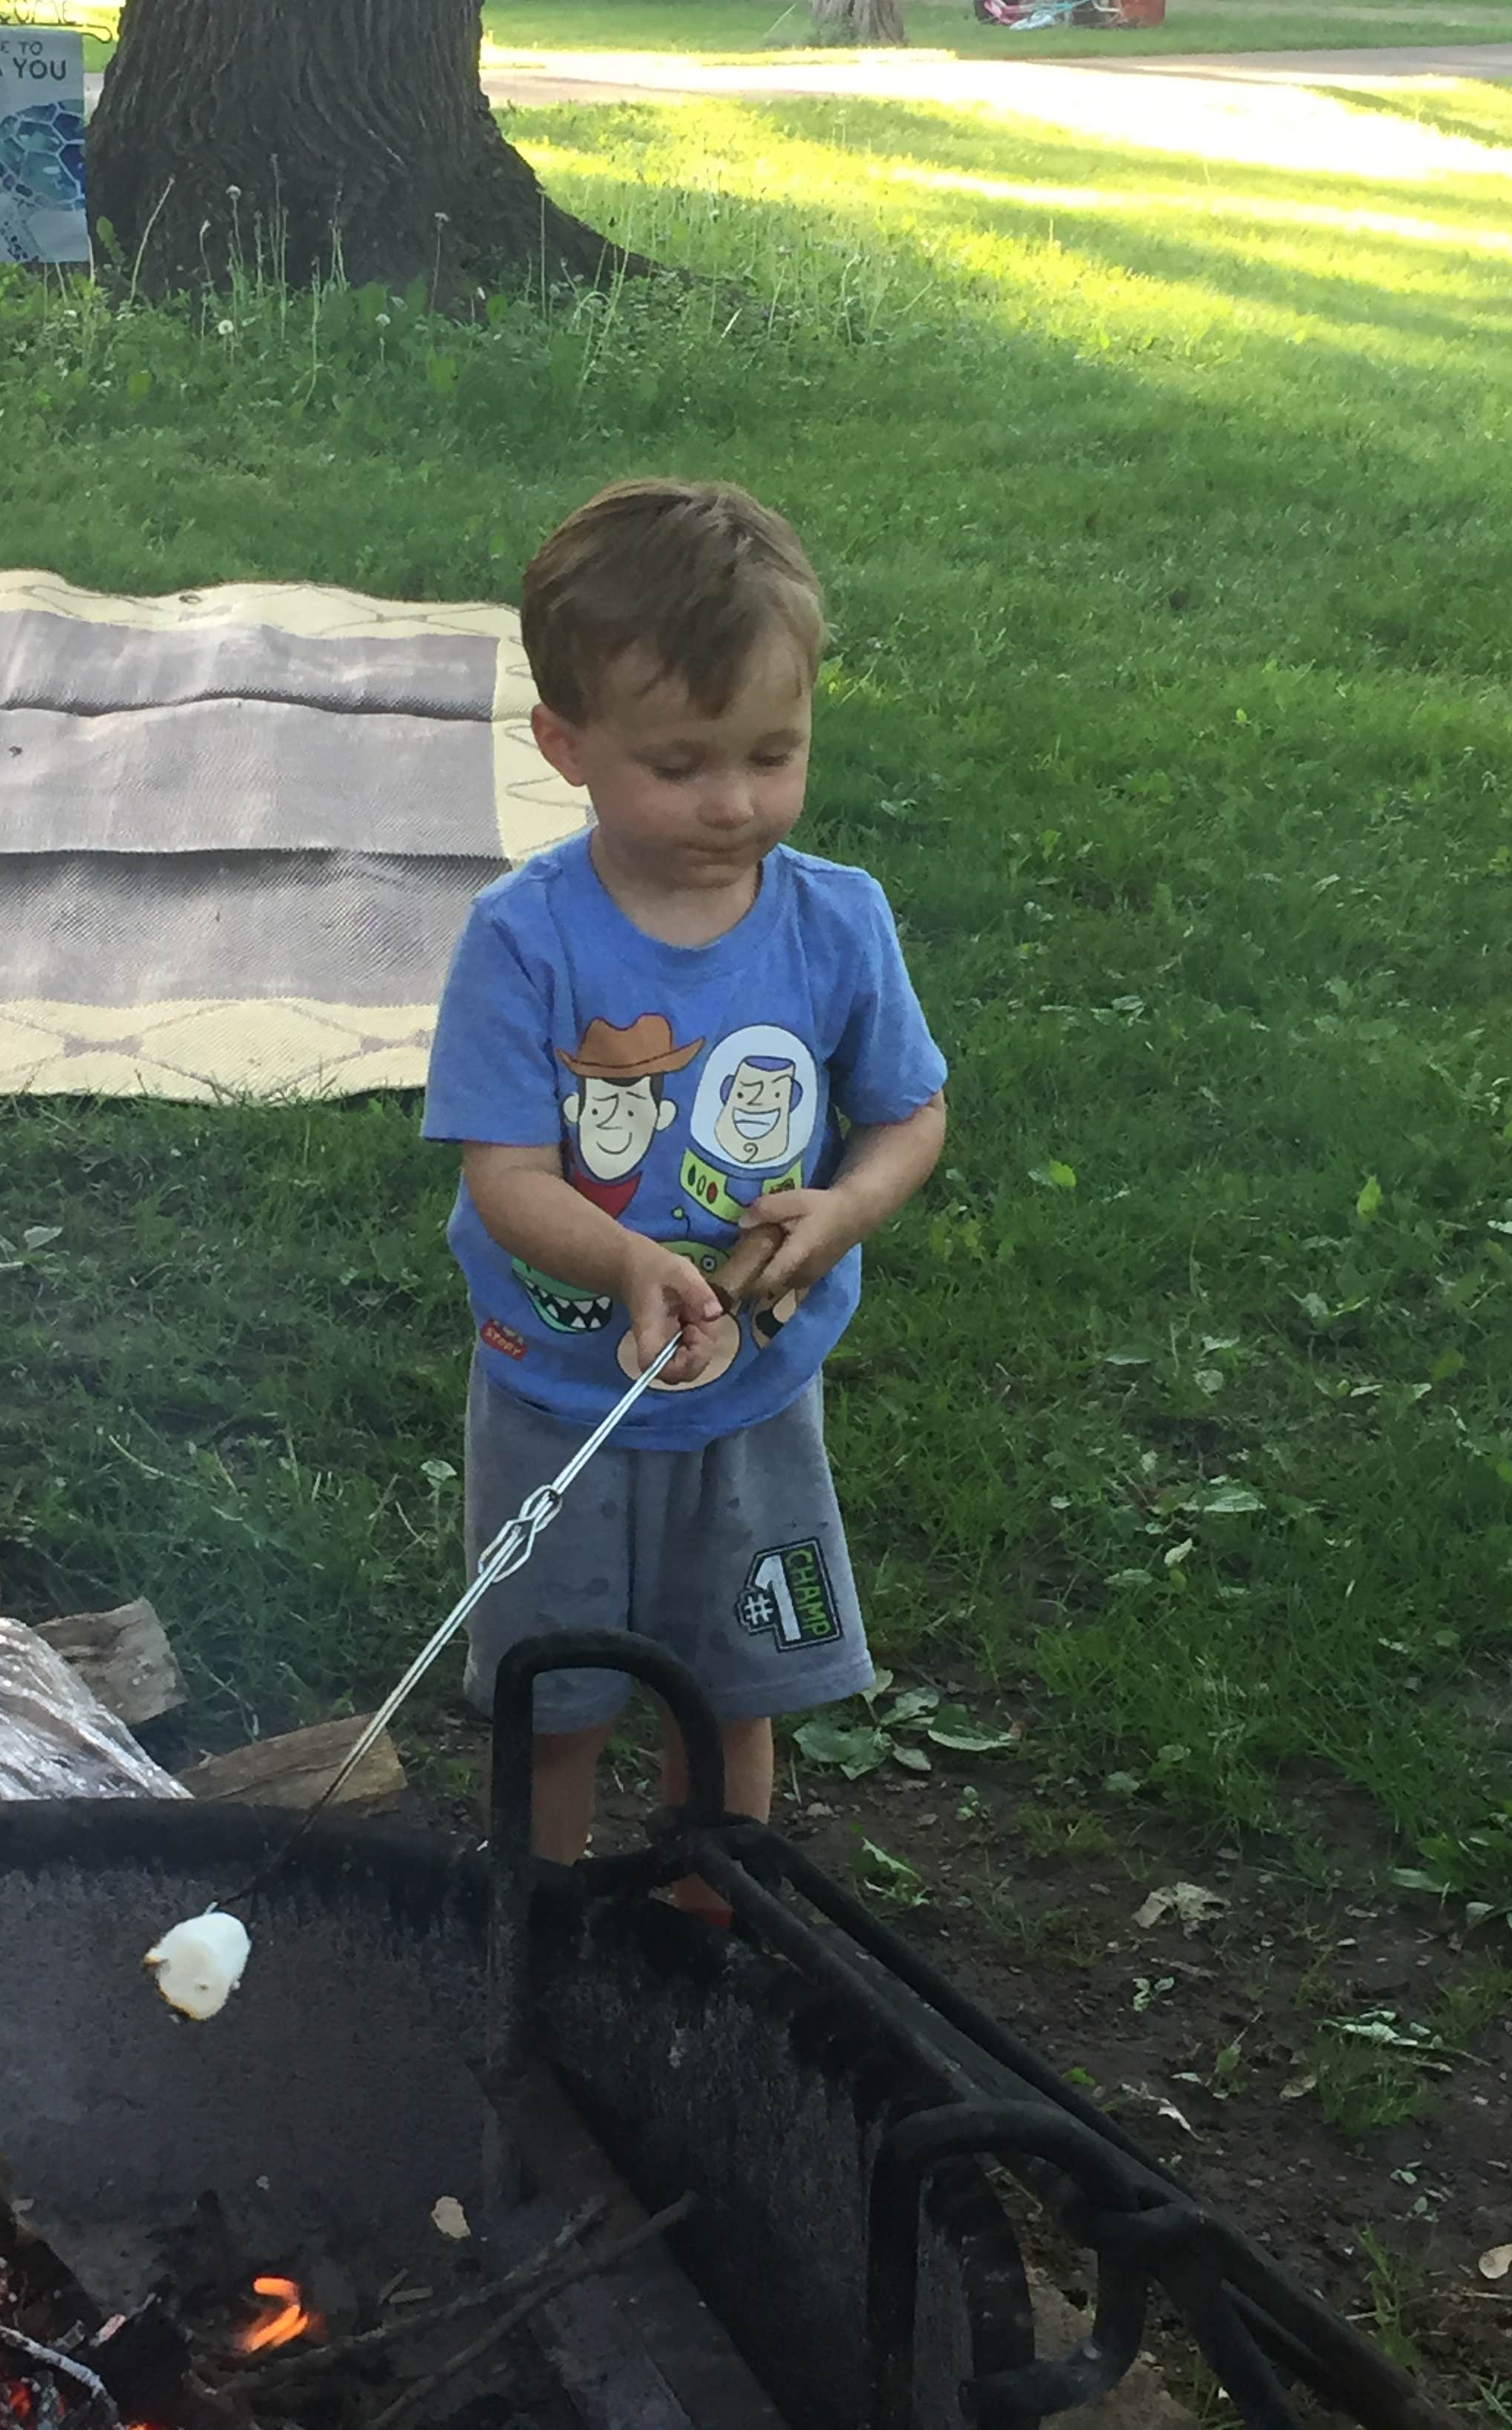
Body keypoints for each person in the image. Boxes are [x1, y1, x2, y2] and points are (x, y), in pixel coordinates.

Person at [423, 478, 948, 1908]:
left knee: (734, 1692)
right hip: (559, 1396)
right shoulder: (523, 941)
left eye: (772, 756)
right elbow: (509, 1174)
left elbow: (910, 1115)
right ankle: (538, 1925)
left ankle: (714, 1920)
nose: (735, 804)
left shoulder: (835, 921)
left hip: (755, 1398)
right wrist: (631, 1266)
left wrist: (843, 1209)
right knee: (561, 1692)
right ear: (567, 747)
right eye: (681, 766)